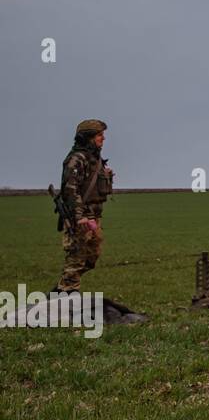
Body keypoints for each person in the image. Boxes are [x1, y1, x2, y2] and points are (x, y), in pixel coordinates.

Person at [57, 119, 114, 292]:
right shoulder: (76, 159)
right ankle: (68, 292)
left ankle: (62, 289)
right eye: (99, 135)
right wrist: (79, 217)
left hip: (94, 216)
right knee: (77, 257)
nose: (102, 139)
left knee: (92, 256)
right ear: (88, 137)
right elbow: (70, 190)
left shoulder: (94, 159)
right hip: (81, 217)